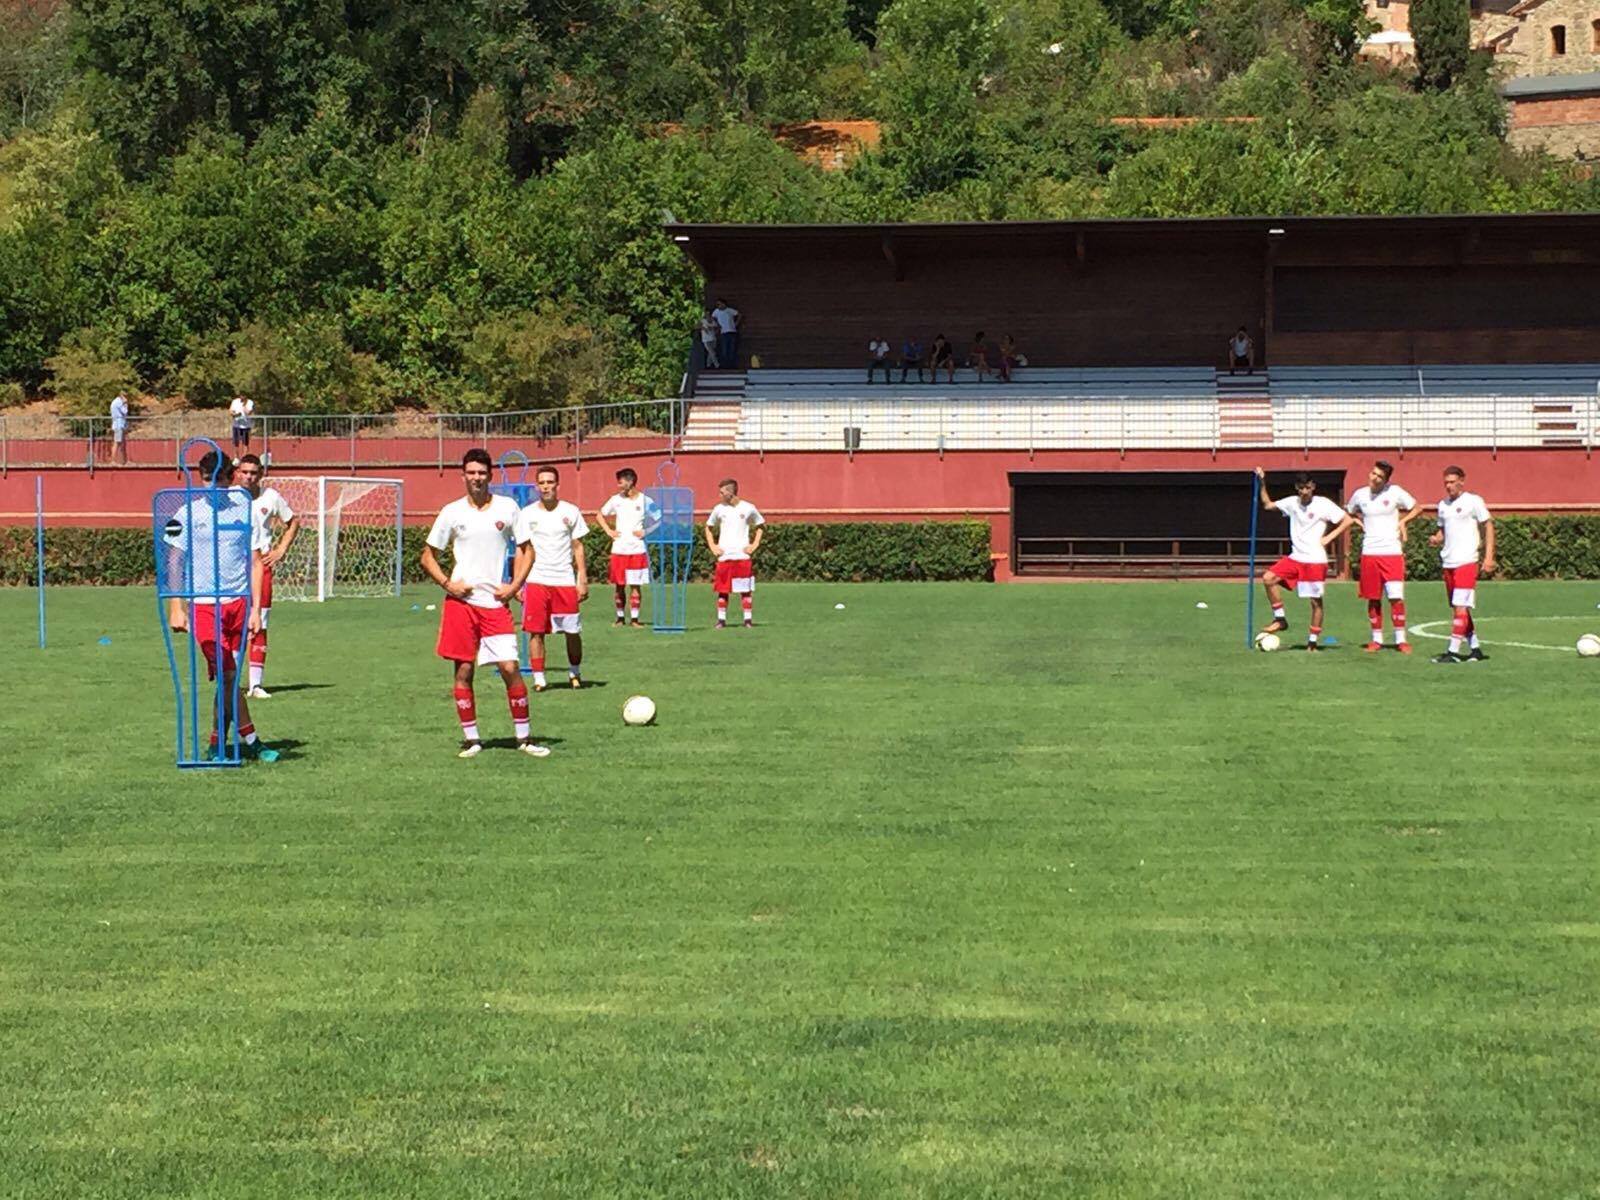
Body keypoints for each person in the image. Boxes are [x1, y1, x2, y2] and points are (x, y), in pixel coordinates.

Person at [420, 449, 546, 759]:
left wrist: (514, 585)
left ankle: (524, 738)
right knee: (463, 670)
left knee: (510, 667)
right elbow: (427, 556)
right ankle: (472, 740)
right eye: (471, 472)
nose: (476, 478)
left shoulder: (507, 507)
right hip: (460, 604)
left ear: (490, 475)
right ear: (463, 476)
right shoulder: (451, 512)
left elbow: (527, 550)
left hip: (495, 603)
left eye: (481, 473)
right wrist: (448, 584)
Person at [162, 450, 276, 762]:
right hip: (204, 605)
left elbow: (255, 561)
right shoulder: (186, 513)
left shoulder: (244, 509)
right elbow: (174, 559)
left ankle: (217, 743)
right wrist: (176, 606)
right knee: (228, 674)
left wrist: (255, 610)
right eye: (206, 480)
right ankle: (251, 739)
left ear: (229, 477)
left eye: (218, 480)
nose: (212, 487)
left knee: (230, 679)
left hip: (238, 603)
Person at [1326, 459, 1421, 654]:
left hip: (1392, 553)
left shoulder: (1395, 492)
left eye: (1380, 476)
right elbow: (1348, 512)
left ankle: (1401, 640)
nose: (1375, 478)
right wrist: (1357, 521)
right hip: (1369, 553)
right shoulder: (1360, 495)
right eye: (1373, 473)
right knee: (1373, 597)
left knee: (1396, 597)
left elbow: (1417, 508)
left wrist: (1403, 522)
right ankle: (1376, 639)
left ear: (1386, 480)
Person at [513, 465, 590, 691]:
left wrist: (582, 577)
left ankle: (574, 672)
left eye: (550, 482)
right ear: (537, 486)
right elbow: (521, 549)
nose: (546, 486)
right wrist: (518, 582)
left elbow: (578, 546)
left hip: (564, 580)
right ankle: (539, 679)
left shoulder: (571, 511)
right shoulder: (526, 514)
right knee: (536, 631)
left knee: (572, 632)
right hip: (536, 580)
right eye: (542, 483)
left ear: (557, 485)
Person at [1254, 468, 1345, 651]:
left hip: (1315, 560)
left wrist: (1329, 537)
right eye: (1301, 488)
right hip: (1296, 557)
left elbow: (1347, 520)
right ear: (1297, 487)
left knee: (1315, 602)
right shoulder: (1292, 503)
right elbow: (1268, 505)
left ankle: (1312, 642)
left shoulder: (1323, 504)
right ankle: (1280, 619)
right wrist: (1262, 482)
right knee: (1268, 578)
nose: (1304, 491)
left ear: (1313, 487)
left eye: (1307, 488)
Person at [233, 454, 300, 699]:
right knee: (234, 622)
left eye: (253, 473)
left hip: (261, 563)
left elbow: (293, 522)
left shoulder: (271, 497)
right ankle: (232, 683)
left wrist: (280, 549)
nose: (249, 477)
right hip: (233, 565)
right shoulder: (229, 497)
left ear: (260, 474)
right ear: (237, 473)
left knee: (260, 622)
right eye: (245, 472)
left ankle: (256, 685)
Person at [1429, 466, 1495, 664]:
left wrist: (1488, 557)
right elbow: (1443, 531)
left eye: (1452, 482)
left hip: (1466, 561)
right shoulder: (1442, 505)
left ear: (1461, 482)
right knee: (1460, 608)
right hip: (1448, 562)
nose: (1448, 486)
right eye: (1446, 482)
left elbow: (1488, 525)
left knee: (1460, 607)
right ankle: (1475, 649)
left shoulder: (1473, 501)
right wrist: (1436, 538)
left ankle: (1453, 652)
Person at [596, 467, 659, 627]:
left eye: (621, 482)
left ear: (630, 482)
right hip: (619, 549)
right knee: (619, 585)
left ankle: (635, 620)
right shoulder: (615, 500)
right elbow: (600, 515)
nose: (618, 485)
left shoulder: (645, 500)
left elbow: (659, 518)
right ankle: (620, 618)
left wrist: (646, 531)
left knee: (635, 585)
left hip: (637, 550)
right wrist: (609, 531)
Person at [706, 478, 764, 628]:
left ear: (730, 493)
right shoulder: (719, 509)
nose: (719, 495)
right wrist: (713, 546)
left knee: (745, 590)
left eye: (721, 492)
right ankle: (721, 620)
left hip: (742, 557)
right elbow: (708, 527)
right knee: (723, 591)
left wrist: (754, 545)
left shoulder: (748, 508)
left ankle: (748, 621)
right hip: (725, 557)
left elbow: (760, 525)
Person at [712, 298, 741, 368]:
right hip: (723, 332)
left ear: (723, 304)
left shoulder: (729, 310)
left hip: (732, 331)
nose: (718, 306)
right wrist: (717, 324)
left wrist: (736, 323)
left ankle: (732, 365)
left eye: (719, 304)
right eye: (717, 305)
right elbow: (712, 317)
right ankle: (725, 365)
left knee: (732, 349)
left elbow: (739, 314)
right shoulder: (716, 311)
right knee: (724, 349)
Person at [109, 392, 129, 465]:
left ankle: (123, 461)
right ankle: (113, 461)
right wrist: (125, 403)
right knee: (117, 442)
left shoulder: (115, 401)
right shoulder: (119, 402)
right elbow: (125, 412)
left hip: (117, 424)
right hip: (119, 424)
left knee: (120, 442)